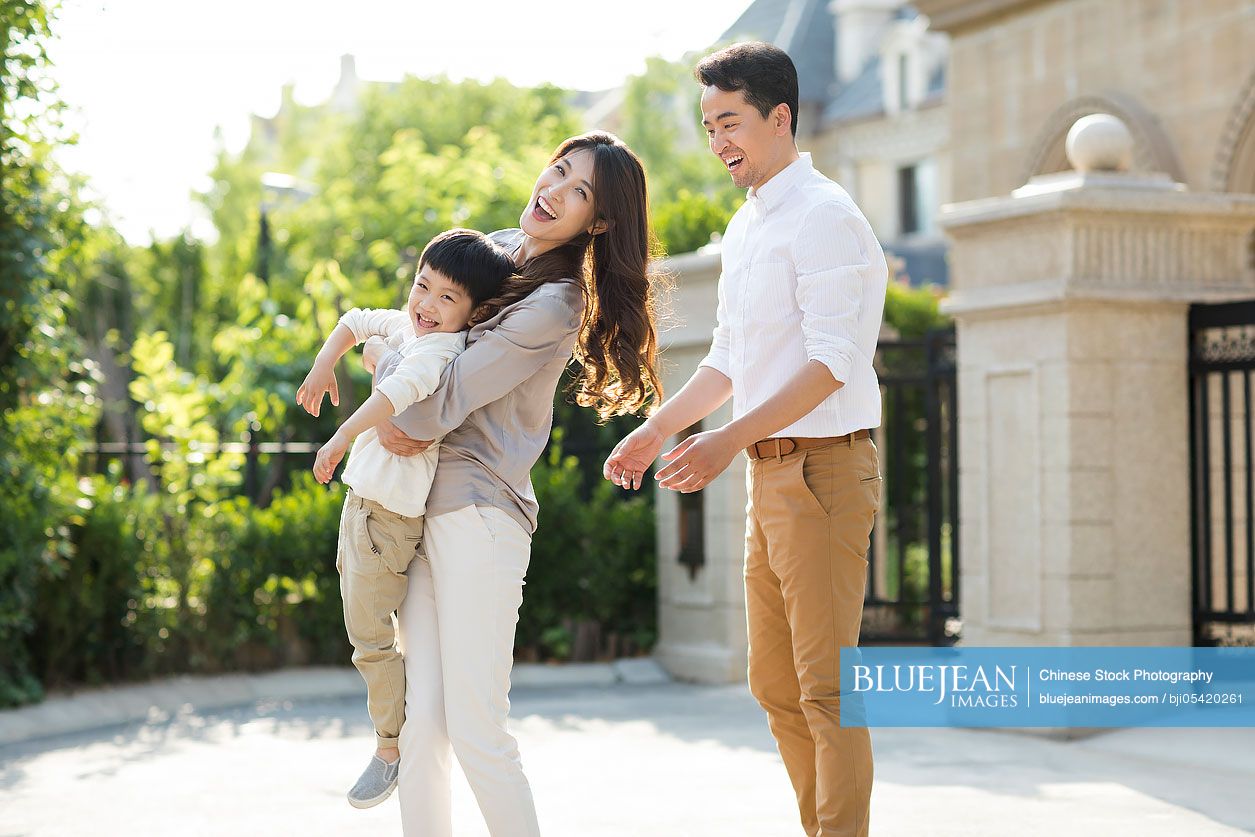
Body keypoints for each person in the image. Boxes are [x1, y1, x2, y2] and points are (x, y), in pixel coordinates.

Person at [604, 42, 888, 837]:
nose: (717, 139)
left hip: (826, 470)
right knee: (774, 685)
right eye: (707, 125)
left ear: (779, 117)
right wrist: (657, 428)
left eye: (729, 121)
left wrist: (724, 441)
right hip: (771, 477)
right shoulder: (748, 223)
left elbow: (833, 363)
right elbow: (730, 354)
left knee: (826, 687)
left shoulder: (826, 216)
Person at [363, 131, 662, 837]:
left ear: (598, 222)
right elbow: (419, 335)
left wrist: (380, 364)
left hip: (479, 515)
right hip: (422, 503)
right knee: (420, 724)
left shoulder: (557, 300)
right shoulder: (494, 250)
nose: (553, 189)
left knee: (476, 729)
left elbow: (433, 401)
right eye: (556, 171)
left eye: (578, 189)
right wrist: (389, 358)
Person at [295, 229, 516, 809]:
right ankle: (396, 730)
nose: (427, 304)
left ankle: (390, 746)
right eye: (424, 286)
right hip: (368, 512)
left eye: (448, 298)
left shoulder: (440, 352)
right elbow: (357, 318)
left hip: (385, 519)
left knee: (370, 641)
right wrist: (325, 366)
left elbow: (394, 395)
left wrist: (341, 436)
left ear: (472, 313)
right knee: (369, 636)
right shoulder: (411, 327)